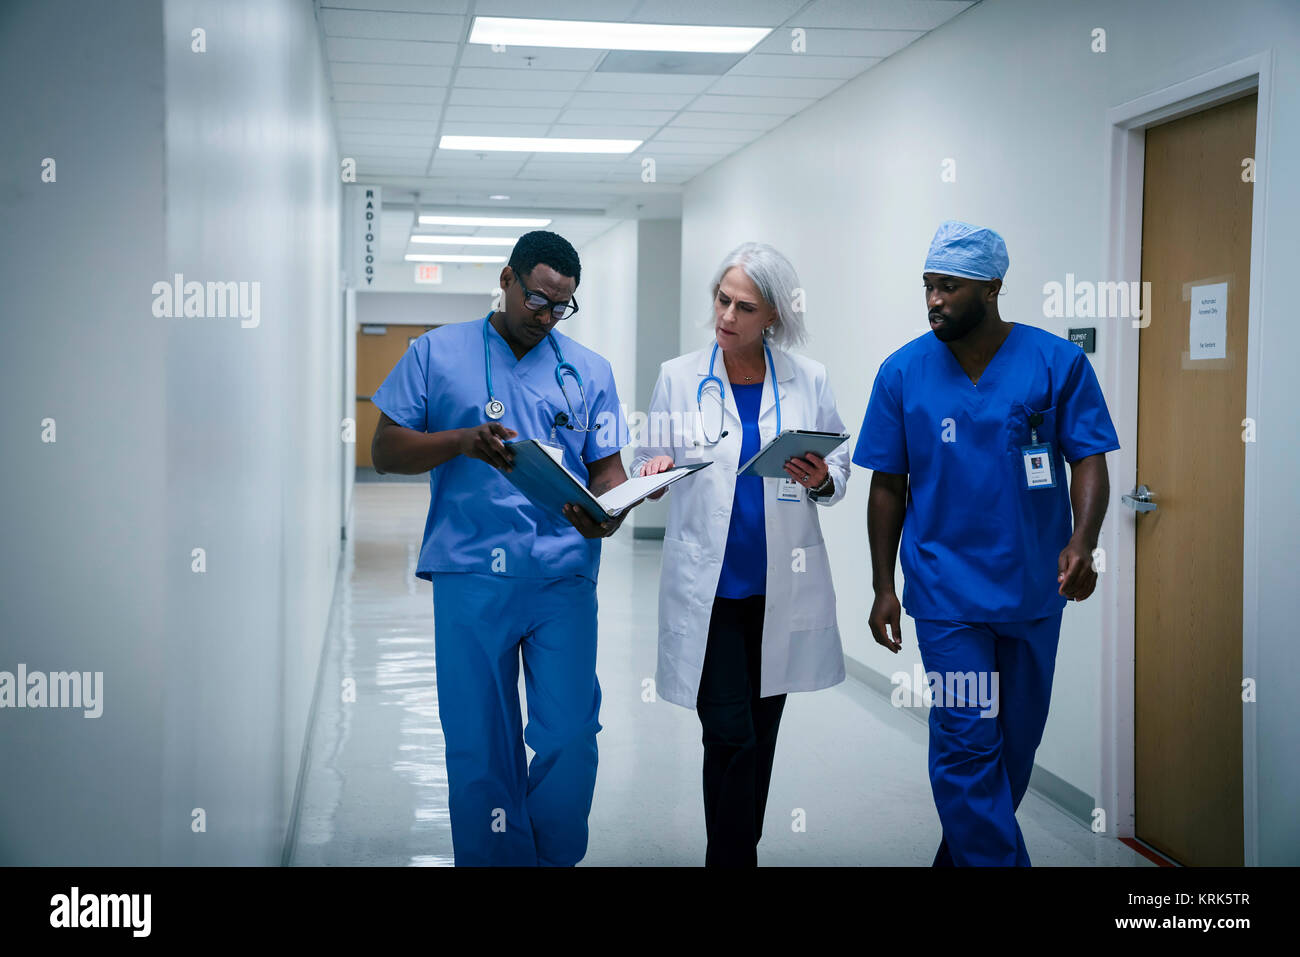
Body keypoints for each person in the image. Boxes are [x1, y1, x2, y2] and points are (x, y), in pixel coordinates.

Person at [853, 220, 1120, 866]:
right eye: (927, 286)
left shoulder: (1056, 362)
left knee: (1013, 752)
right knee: (968, 744)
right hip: (947, 597)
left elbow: (1088, 457)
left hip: (1033, 590)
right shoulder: (904, 371)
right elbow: (888, 485)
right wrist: (884, 584)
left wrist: (1084, 540)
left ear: (993, 288)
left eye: (949, 286)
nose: (934, 299)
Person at [369, 230, 636, 866]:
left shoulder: (588, 370)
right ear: (506, 279)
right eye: (537, 300)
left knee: (570, 732)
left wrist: (612, 512)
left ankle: (552, 856)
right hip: (471, 573)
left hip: (562, 575)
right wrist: (460, 441)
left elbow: (608, 472)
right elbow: (385, 450)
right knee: (480, 741)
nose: (545, 317)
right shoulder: (436, 352)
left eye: (561, 306)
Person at [632, 242, 851, 867]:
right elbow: (648, 458)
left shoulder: (808, 378)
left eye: (744, 306)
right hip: (711, 592)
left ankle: (731, 852)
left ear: (774, 315)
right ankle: (732, 859)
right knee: (729, 732)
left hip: (781, 589)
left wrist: (820, 478)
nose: (726, 316)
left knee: (759, 735)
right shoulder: (680, 376)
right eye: (722, 300)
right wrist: (657, 466)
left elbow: (837, 470)